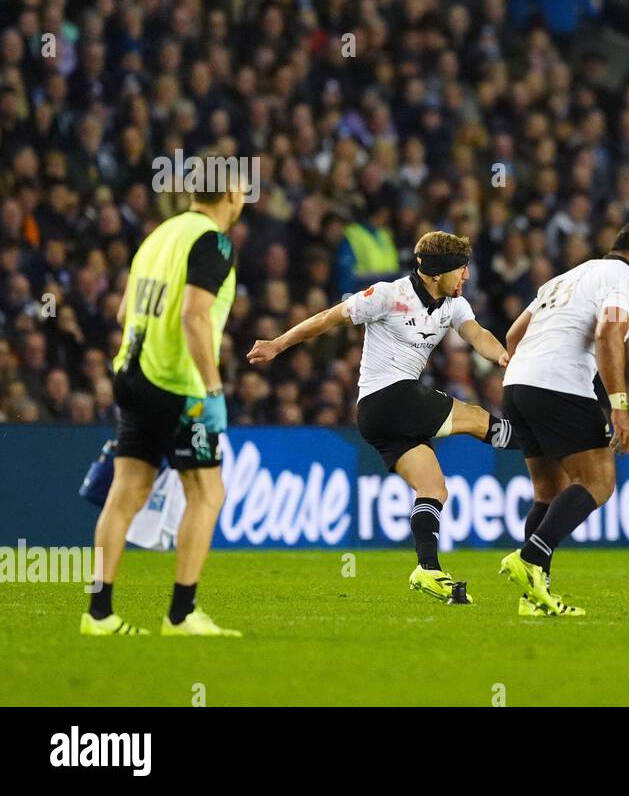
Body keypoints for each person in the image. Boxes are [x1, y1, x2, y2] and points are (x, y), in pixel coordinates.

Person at [247, 231, 519, 605]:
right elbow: (330, 317)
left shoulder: (454, 306)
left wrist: (504, 358)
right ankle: (544, 440)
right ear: (437, 272)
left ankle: (427, 569)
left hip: (385, 420)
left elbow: (478, 334)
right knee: (474, 417)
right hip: (386, 398)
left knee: (434, 489)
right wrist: (278, 343)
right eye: (461, 270)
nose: (467, 277)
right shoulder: (389, 296)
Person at [85, 183, 246, 637]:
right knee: (207, 494)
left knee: (126, 494)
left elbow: (123, 314)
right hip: (179, 386)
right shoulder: (212, 241)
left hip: (133, 374)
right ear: (230, 194)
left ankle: (98, 614)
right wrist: (213, 392)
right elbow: (193, 316)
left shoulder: (158, 236)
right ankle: (180, 613)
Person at [497, 222, 629, 616]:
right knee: (598, 481)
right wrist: (620, 407)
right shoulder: (625, 281)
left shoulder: (569, 276)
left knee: (549, 491)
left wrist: (527, 372)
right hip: (559, 384)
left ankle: (533, 598)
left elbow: (512, 336)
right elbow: (608, 335)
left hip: (517, 385)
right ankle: (530, 558)